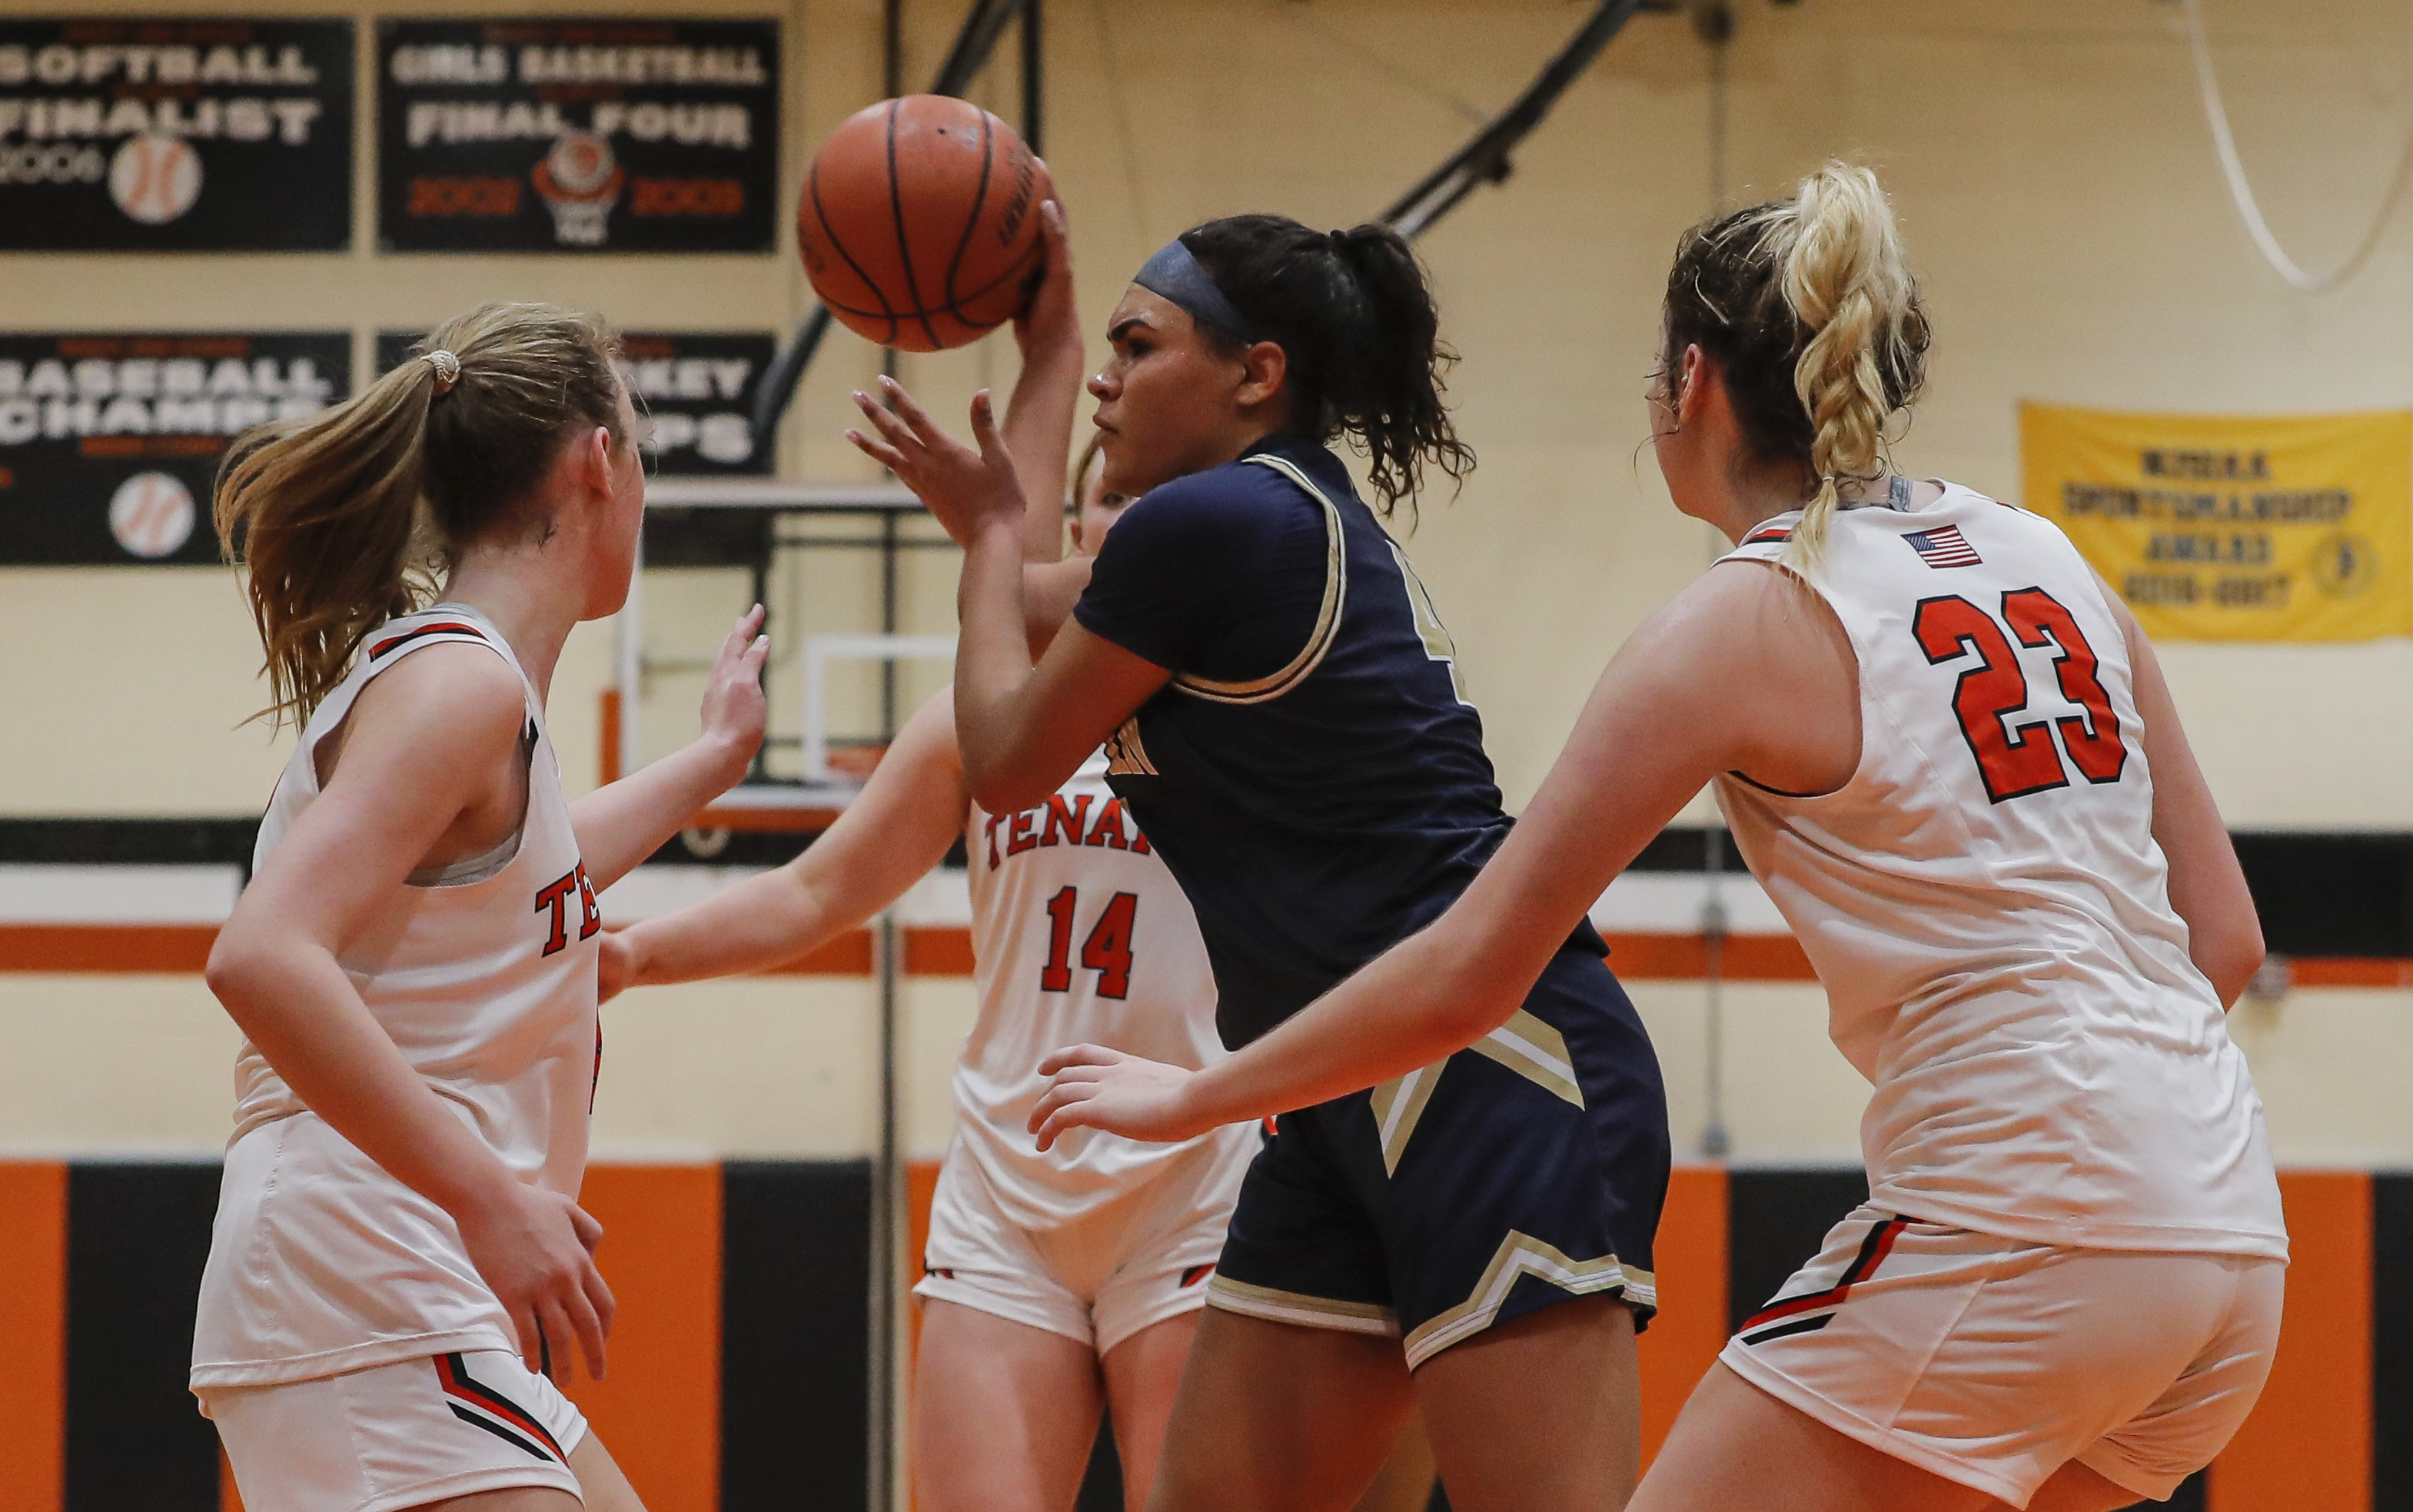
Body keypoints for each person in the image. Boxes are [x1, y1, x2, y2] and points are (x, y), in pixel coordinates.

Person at [1029, 163, 2288, 1512]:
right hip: (2228, 1239)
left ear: (1689, 382)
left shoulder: (1736, 623)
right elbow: (2226, 941)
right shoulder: (2053, 557)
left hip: (2031, 1209)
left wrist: (1189, 1095)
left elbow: (1470, 971)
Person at [847, 212, 1670, 1512]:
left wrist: (995, 533)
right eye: (1106, 350)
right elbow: (1030, 604)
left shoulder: (1220, 524)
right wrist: (1047, 358)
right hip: (1346, 1081)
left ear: (1257, 373)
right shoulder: (1236, 530)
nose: (1111, 377)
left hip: (1493, 1067)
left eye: (1138, 343)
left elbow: (1004, 748)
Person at [194, 303, 772, 1512]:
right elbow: (261, 953)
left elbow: (529, 877)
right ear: (597, 464)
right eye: (644, 456)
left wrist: (710, 764)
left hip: (388, 1271)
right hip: (362, 1260)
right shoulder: (457, 685)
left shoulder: (473, 691)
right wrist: (488, 1195)